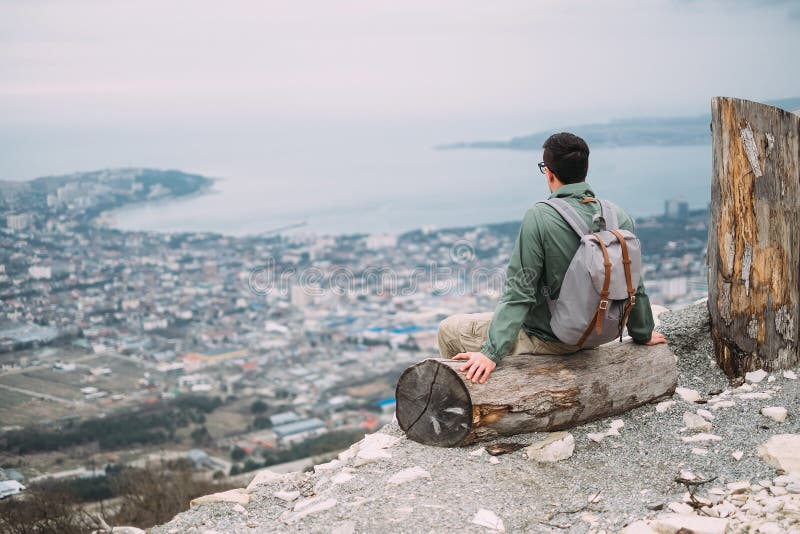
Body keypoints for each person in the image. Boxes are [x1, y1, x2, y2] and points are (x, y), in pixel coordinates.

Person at [437, 132, 667, 384]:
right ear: (585, 168)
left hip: (553, 338)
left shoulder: (541, 216)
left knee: (449, 329)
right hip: (601, 330)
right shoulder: (618, 216)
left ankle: (471, 402)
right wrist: (643, 332)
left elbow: (519, 293)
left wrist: (491, 353)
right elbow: (634, 283)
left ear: (549, 172)